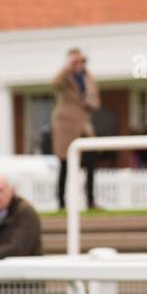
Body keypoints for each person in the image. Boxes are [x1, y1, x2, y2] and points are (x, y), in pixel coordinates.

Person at [51, 48, 100, 210]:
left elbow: (95, 101)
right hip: (66, 127)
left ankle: (91, 201)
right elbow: (54, 83)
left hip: (83, 126)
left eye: (81, 61)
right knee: (65, 165)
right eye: (75, 61)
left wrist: (87, 102)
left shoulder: (88, 78)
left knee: (90, 163)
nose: (79, 64)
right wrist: (67, 67)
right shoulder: (65, 77)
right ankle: (61, 202)